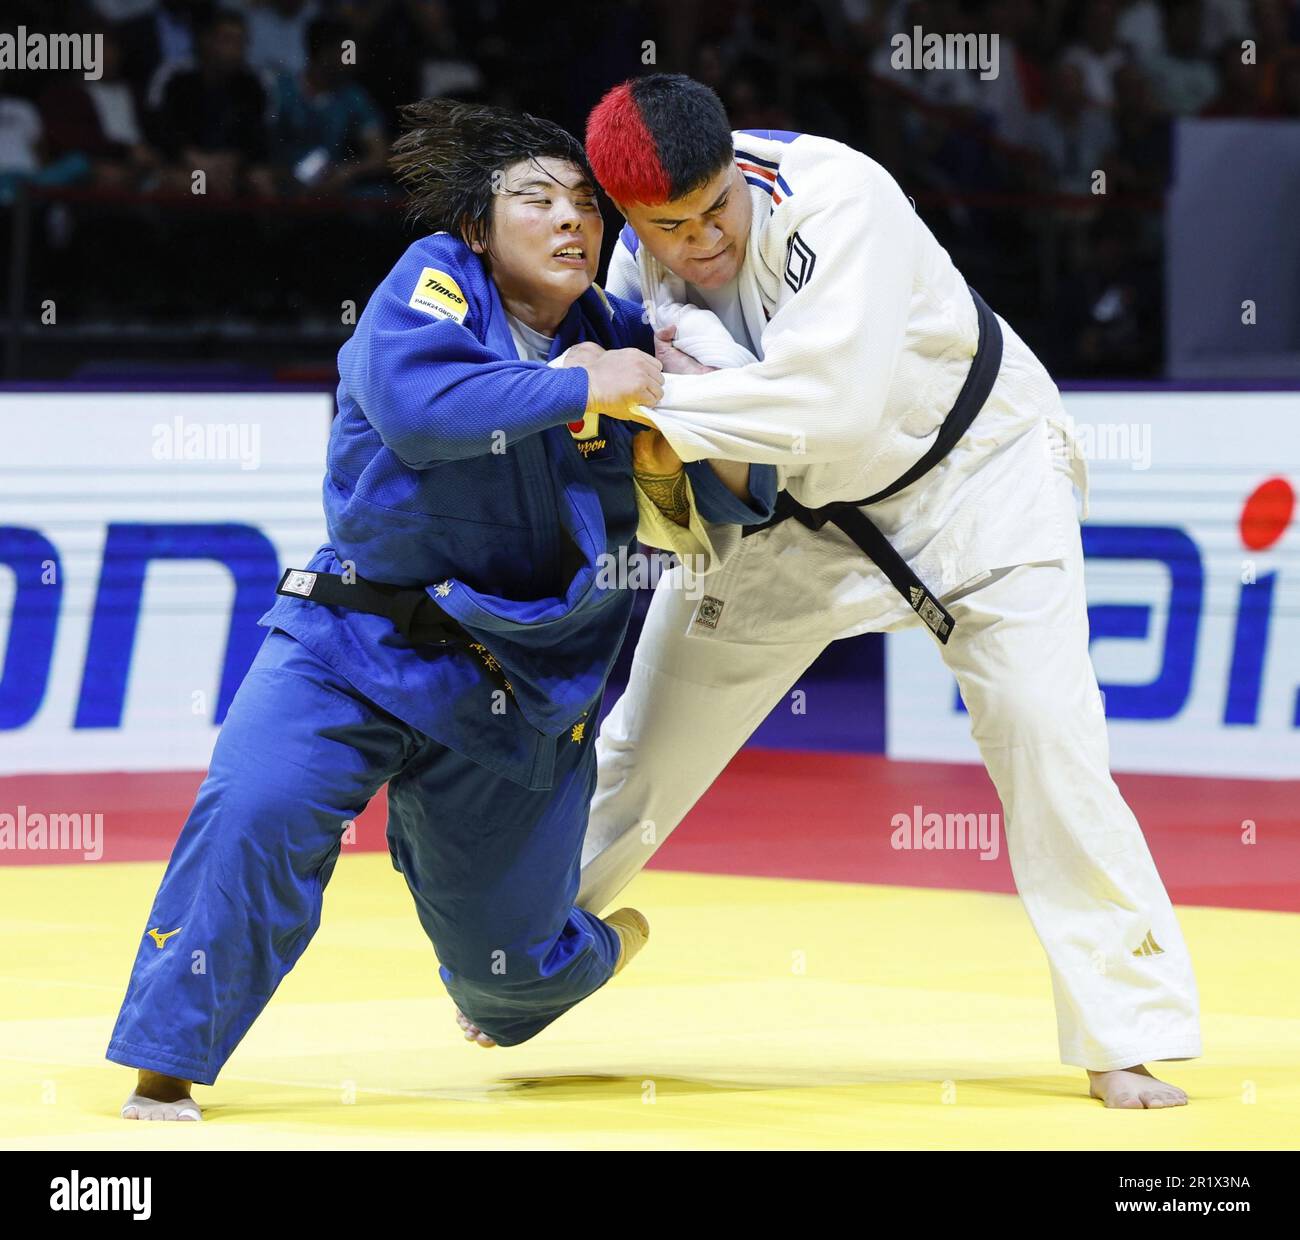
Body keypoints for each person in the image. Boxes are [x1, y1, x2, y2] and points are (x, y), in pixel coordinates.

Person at [106, 98, 776, 1120]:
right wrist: (580, 385)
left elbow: (726, 501)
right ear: (478, 225)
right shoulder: (431, 288)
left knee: (505, 989)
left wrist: (715, 405)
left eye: (589, 206)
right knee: (257, 811)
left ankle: (588, 948)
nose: (572, 222)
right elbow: (423, 413)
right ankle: (168, 1061)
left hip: (519, 687)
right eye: (536, 200)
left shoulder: (627, 339)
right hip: (353, 642)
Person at [577, 74, 1201, 1109]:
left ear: (735, 166)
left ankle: (1123, 1033)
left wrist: (649, 402)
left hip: (975, 477)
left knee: (1049, 733)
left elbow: (831, 407)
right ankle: (525, 955)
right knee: (643, 741)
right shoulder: (634, 264)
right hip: (797, 526)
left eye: (714, 210)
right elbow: (713, 455)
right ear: (628, 215)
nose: (699, 243)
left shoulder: (838, 195)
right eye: (667, 227)